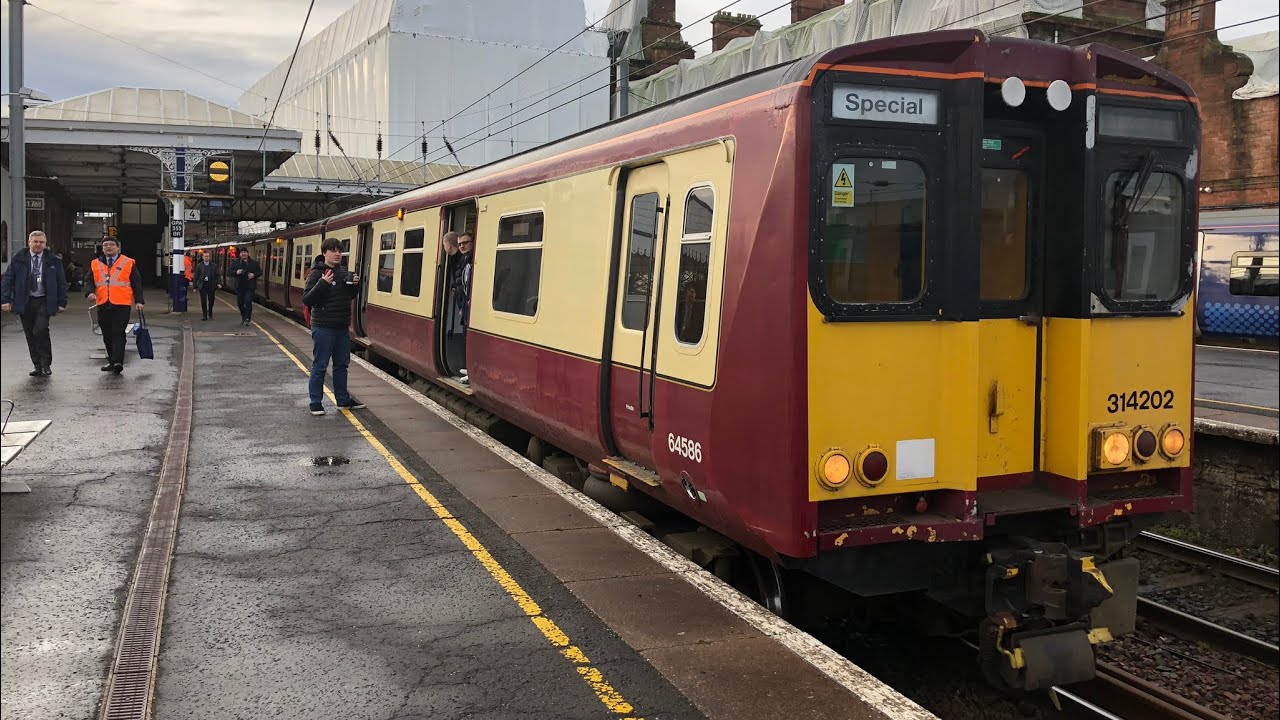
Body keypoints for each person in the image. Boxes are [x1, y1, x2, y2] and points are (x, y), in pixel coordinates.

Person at [302, 239, 365, 415]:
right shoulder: (316, 273)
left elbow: (349, 296)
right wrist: (323, 283)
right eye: (333, 250)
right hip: (323, 327)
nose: (337, 254)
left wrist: (355, 285)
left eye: (339, 251)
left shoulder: (343, 272)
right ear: (324, 253)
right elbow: (307, 299)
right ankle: (315, 402)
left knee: (341, 365)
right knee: (320, 365)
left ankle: (342, 400)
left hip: (341, 327)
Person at [1, 230, 69, 376]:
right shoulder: (19, 259)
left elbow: (61, 282)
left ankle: (46, 364)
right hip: (25, 301)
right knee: (30, 334)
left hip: (44, 300)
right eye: (35, 242)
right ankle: (37, 365)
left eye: (41, 242)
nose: (38, 244)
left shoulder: (53, 261)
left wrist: (62, 302)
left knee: (40, 330)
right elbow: (8, 280)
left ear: (45, 244)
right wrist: (5, 300)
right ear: (29, 242)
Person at [84, 236, 144, 374]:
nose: (108, 247)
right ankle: (112, 360)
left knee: (118, 333)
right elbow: (89, 281)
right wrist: (89, 293)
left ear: (118, 248)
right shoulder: (95, 263)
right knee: (107, 334)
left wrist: (139, 301)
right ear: (102, 248)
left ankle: (118, 361)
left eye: (111, 244)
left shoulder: (128, 262)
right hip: (103, 303)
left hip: (122, 303)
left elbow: (136, 283)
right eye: (105, 245)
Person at [230, 247, 262, 326]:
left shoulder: (254, 263)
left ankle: (248, 318)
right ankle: (243, 316)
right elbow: (229, 272)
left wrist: (253, 275)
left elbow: (259, 272)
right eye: (242, 252)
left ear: (248, 253)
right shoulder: (235, 263)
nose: (243, 254)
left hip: (250, 286)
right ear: (240, 254)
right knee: (240, 303)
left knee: (248, 302)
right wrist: (236, 272)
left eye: (245, 252)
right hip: (239, 286)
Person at [193, 250, 221, 320]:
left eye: (208, 256)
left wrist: (219, 283)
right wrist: (194, 287)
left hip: (211, 285)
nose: (206, 258)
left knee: (211, 300)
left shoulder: (214, 265)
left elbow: (217, 275)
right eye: (205, 256)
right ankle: (204, 315)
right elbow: (196, 276)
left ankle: (210, 310)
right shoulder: (199, 266)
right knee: (203, 301)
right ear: (203, 257)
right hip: (202, 285)